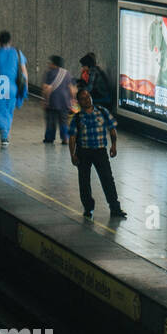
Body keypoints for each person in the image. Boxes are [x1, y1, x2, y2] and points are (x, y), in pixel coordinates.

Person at [68, 87, 127, 219]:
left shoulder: (102, 112)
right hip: (83, 152)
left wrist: (114, 145)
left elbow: (112, 129)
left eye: (88, 97)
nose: (87, 100)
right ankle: (88, 208)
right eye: (83, 99)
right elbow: (72, 138)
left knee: (107, 179)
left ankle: (115, 207)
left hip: (100, 151)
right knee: (84, 182)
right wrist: (72, 154)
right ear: (79, 102)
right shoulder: (77, 118)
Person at [41, 55, 73, 144]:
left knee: (51, 121)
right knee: (64, 121)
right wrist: (72, 100)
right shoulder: (67, 73)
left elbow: (46, 88)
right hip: (65, 102)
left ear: (54, 64)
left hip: (53, 102)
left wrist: (45, 100)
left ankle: (49, 138)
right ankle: (65, 138)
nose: (48, 64)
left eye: (50, 62)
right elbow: (71, 88)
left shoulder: (49, 73)